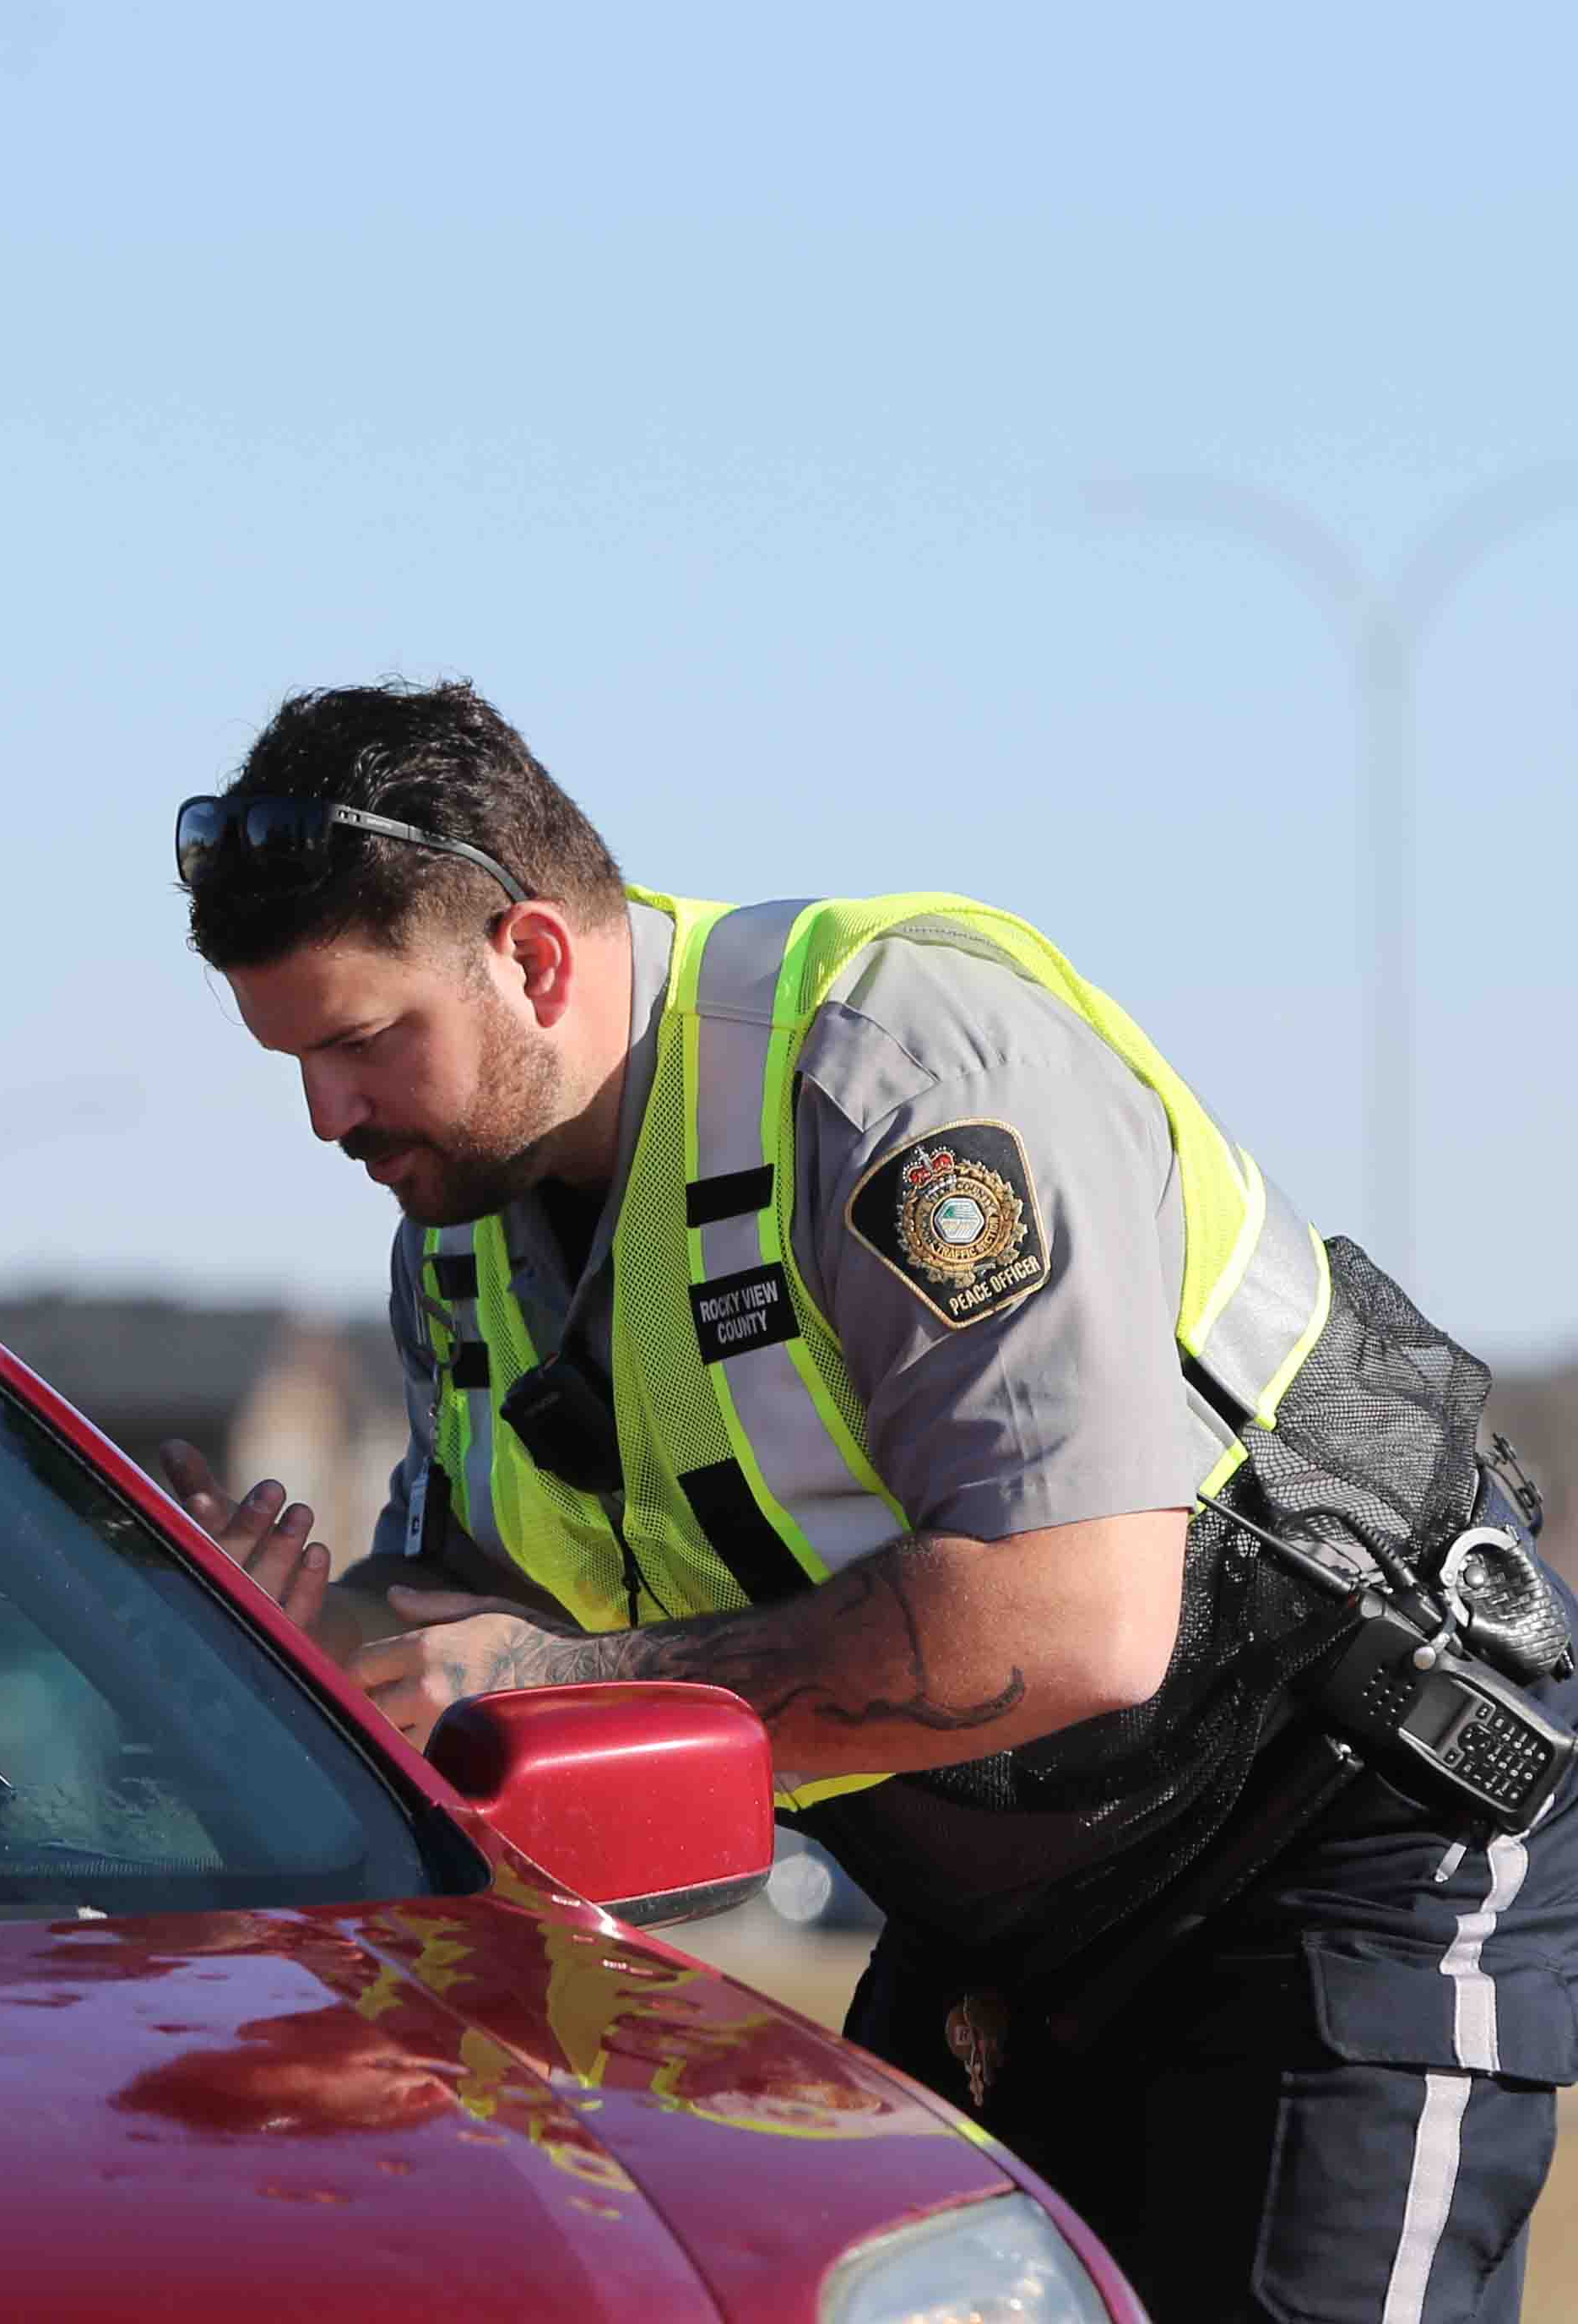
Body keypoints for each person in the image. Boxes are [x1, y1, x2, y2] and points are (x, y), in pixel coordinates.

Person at [164, 678, 1578, 2321]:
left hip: (1329, 1835)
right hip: (1002, 1913)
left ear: (533, 959)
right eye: (294, 1060)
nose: (325, 1114)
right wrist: (265, 1643)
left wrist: (555, 1684)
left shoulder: (890, 1063)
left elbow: (1075, 1620)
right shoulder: (462, 1220)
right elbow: (474, 1636)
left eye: (358, 1042)